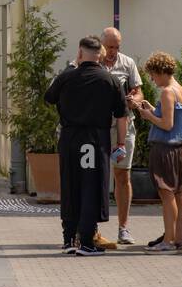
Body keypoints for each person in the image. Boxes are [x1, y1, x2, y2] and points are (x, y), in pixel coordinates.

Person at [45, 35, 128, 255]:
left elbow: (49, 97)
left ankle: (69, 239)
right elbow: (121, 116)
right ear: (100, 54)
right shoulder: (110, 80)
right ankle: (88, 242)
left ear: (80, 53)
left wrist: (70, 70)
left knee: (70, 186)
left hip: (70, 139)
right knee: (91, 188)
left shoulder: (66, 77)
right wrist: (120, 143)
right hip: (95, 140)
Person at [135, 51, 182, 251]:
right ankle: (178, 239)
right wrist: (152, 108)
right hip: (178, 149)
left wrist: (147, 115)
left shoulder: (167, 91)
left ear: (161, 71)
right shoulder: (181, 89)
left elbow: (167, 124)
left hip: (164, 149)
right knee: (179, 195)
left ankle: (168, 241)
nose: (152, 79)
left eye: (153, 74)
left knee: (167, 194)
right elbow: (174, 117)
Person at [99, 26, 143, 244]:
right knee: (95, 176)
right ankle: (92, 227)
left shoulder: (127, 63)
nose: (113, 51)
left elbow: (138, 90)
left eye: (117, 47)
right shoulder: (93, 62)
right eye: (109, 47)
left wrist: (134, 99)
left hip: (124, 127)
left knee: (122, 175)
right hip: (98, 128)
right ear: (101, 44)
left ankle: (123, 228)